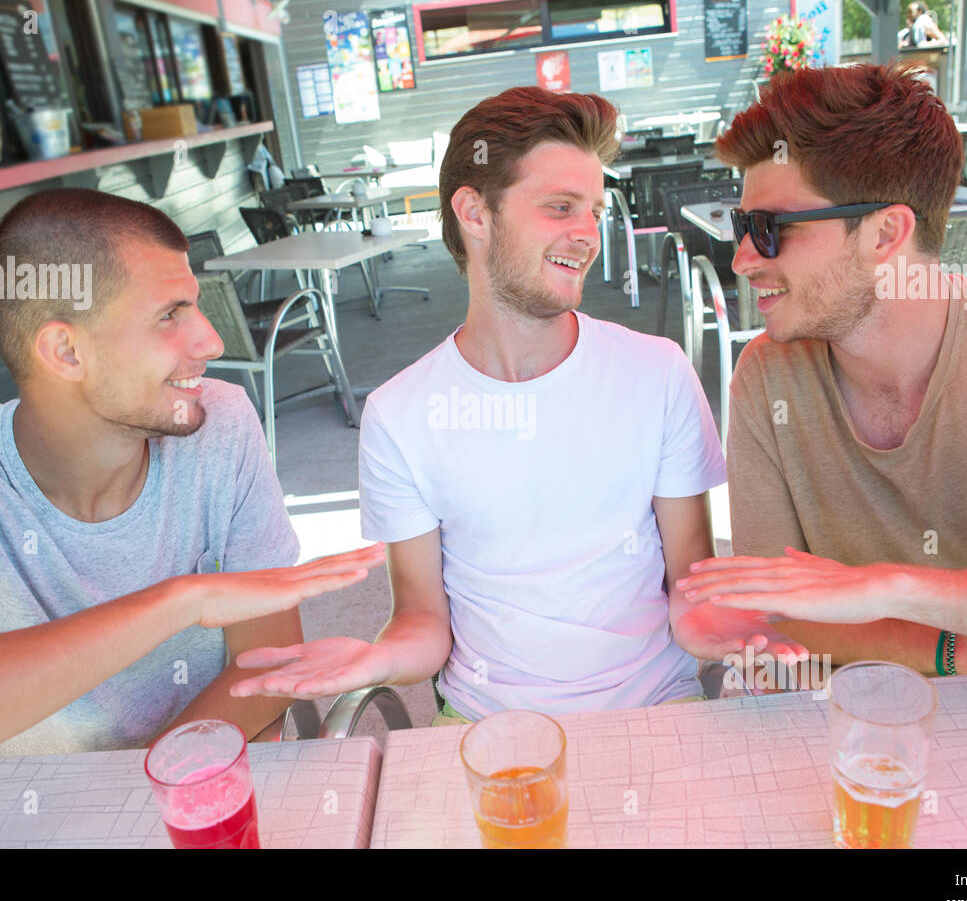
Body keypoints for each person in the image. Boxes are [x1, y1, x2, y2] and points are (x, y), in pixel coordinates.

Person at [0, 189, 385, 813]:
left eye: (195, 305)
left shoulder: (218, 420)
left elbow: (267, 669)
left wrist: (139, 795)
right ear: (67, 352)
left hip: (184, 790)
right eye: (169, 314)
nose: (208, 340)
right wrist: (181, 602)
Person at [225, 86, 759, 721]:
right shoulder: (399, 416)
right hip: (486, 729)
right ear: (473, 213)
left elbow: (689, 582)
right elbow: (422, 619)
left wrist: (739, 634)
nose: (587, 234)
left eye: (593, 209)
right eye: (560, 207)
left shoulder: (659, 372)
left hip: (653, 711)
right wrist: (378, 660)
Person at [675, 64, 967, 672]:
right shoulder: (768, 376)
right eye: (742, 227)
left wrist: (898, 588)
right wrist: (953, 648)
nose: (741, 259)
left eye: (768, 229)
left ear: (887, 232)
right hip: (862, 720)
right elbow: (776, 609)